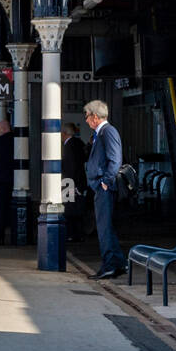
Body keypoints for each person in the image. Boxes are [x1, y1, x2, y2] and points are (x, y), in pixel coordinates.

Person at [84, 100, 125, 278]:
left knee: (104, 228)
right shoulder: (101, 133)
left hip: (105, 188)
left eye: (86, 116)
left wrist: (106, 181)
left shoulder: (108, 132)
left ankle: (109, 266)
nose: (85, 120)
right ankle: (119, 264)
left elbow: (115, 159)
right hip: (101, 186)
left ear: (94, 116)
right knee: (106, 226)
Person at [61, 122, 88, 241]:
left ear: (65, 133)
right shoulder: (79, 143)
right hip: (79, 181)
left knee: (69, 209)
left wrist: (69, 183)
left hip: (70, 182)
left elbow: (71, 166)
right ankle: (78, 233)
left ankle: (72, 234)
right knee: (78, 209)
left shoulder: (69, 146)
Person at [0, 119, 15, 245]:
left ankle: (0, 236)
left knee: (0, 208)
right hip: (16, 179)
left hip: (0, 179)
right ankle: (15, 235)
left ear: (4, 129)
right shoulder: (17, 140)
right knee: (12, 207)